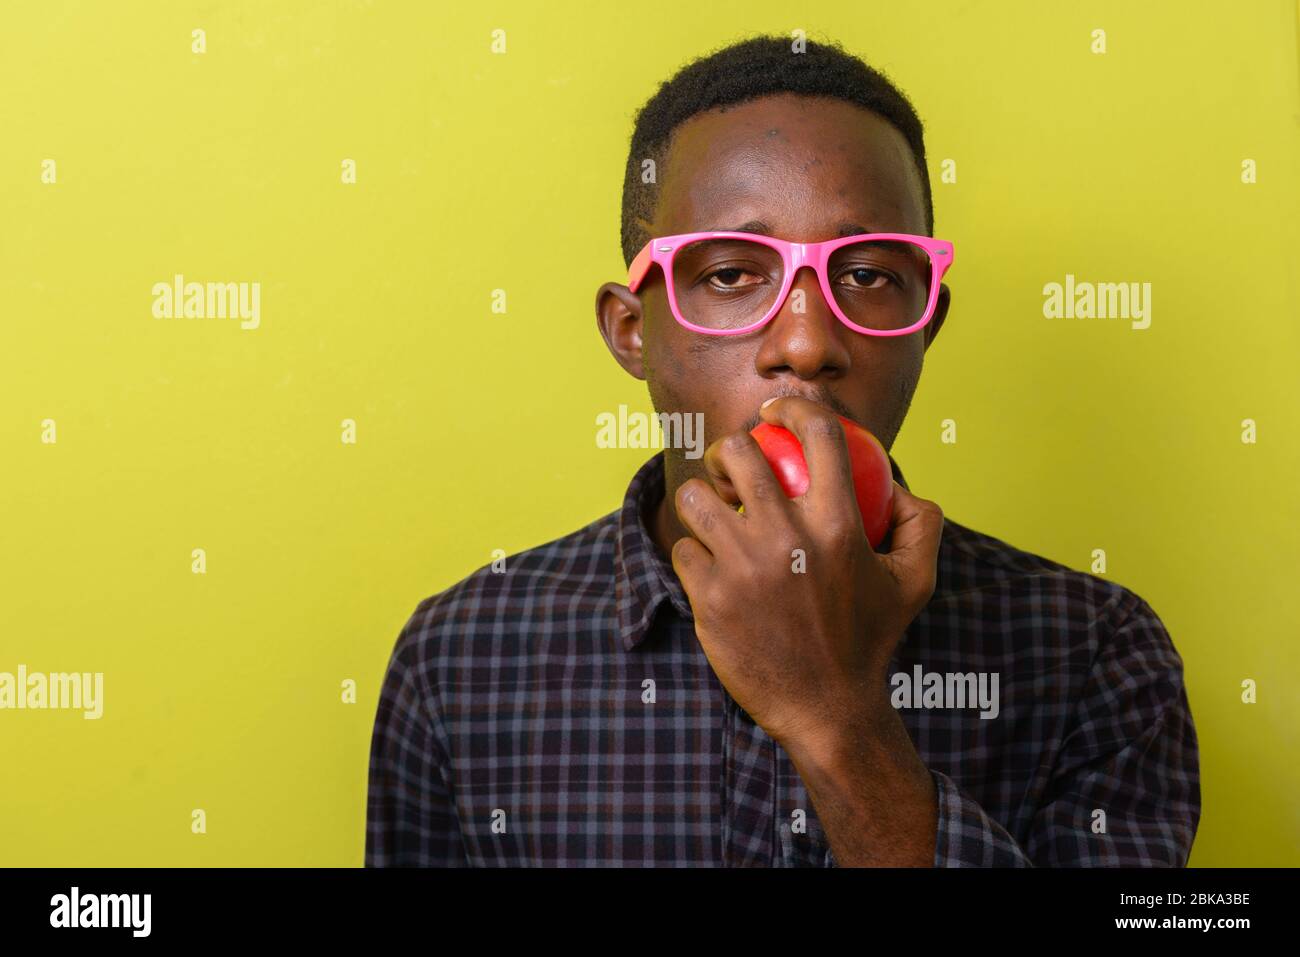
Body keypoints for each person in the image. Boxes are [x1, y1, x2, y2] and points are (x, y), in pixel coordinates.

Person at [366, 33, 1199, 867]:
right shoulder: (460, 661)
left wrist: (835, 715)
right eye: (731, 274)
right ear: (632, 332)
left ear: (926, 327)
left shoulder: (1095, 655)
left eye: (868, 275)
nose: (805, 342)